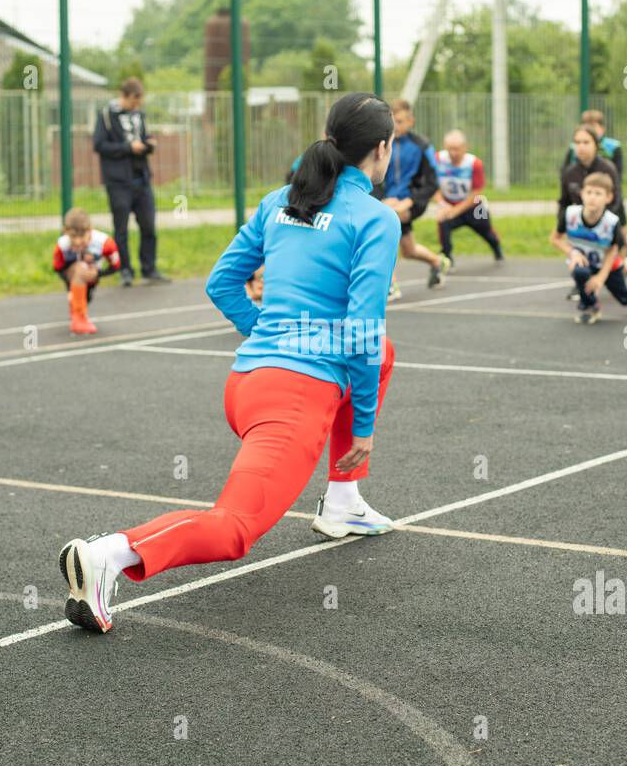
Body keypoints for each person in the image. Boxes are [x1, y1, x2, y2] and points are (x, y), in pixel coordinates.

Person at [57, 92, 400, 633]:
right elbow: (361, 332)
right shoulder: (376, 219)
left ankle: (344, 500)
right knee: (234, 529)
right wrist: (363, 430)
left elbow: (221, 283)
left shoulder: (278, 200)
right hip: (293, 400)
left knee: (383, 358)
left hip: (247, 384)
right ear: (382, 149)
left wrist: (264, 329)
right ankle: (109, 555)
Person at [551, 171, 627, 324]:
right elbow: (555, 239)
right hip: (586, 262)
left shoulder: (611, 223)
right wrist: (572, 253)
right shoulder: (570, 215)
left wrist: (601, 277)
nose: (592, 197)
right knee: (579, 271)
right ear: (582, 193)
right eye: (589, 192)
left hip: (608, 265)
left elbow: (613, 251)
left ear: (608, 197)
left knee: (625, 299)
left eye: (598, 193)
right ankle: (590, 307)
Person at [92, 77, 170, 286]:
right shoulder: (107, 115)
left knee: (149, 226)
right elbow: (99, 145)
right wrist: (128, 148)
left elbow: (144, 137)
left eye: (139, 103)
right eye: (134, 101)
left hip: (141, 179)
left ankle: (149, 268)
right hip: (118, 182)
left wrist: (148, 144)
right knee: (121, 228)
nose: (136, 106)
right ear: (124, 96)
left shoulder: (140, 115)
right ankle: (125, 270)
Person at [377, 99, 448, 298]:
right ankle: (437, 262)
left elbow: (432, 183)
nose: (395, 126)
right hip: (389, 203)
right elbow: (373, 177)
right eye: (392, 122)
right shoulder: (381, 145)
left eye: (399, 121)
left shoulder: (422, 146)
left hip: (414, 202)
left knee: (382, 226)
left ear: (411, 122)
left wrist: (410, 200)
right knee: (408, 251)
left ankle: (390, 285)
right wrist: (383, 199)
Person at [433, 129, 503, 267]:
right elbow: (432, 186)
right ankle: (447, 258)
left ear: (465, 148)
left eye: (457, 149)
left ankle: (497, 249)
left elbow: (476, 193)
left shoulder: (474, 164)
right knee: (443, 222)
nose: (453, 153)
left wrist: (455, 211)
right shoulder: (438, 160)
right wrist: (442, 204)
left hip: (474, 207)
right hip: (449, 205)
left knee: (487, 232)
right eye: (450, 149)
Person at [51, 207, 121, 335]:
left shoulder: (105, 243)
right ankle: (79, 320)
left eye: (82, 236)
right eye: (73, 236)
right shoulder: (62, 246)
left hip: (93, 276)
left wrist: (97, 274)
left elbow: (115, 266)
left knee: (86, 296)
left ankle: (78, 309)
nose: (77, 242)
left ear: (89, 230)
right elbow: (58, 269)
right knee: (80, 269)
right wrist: (72, 283)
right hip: (73, 275)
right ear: (65, 231)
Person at [561, 109, 624, 181]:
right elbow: (565, 173)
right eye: (586, 126)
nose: (589, 130)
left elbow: (617, 176)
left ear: (603, 129)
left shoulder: (613, 146)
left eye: (593, 126)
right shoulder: (573, 147)